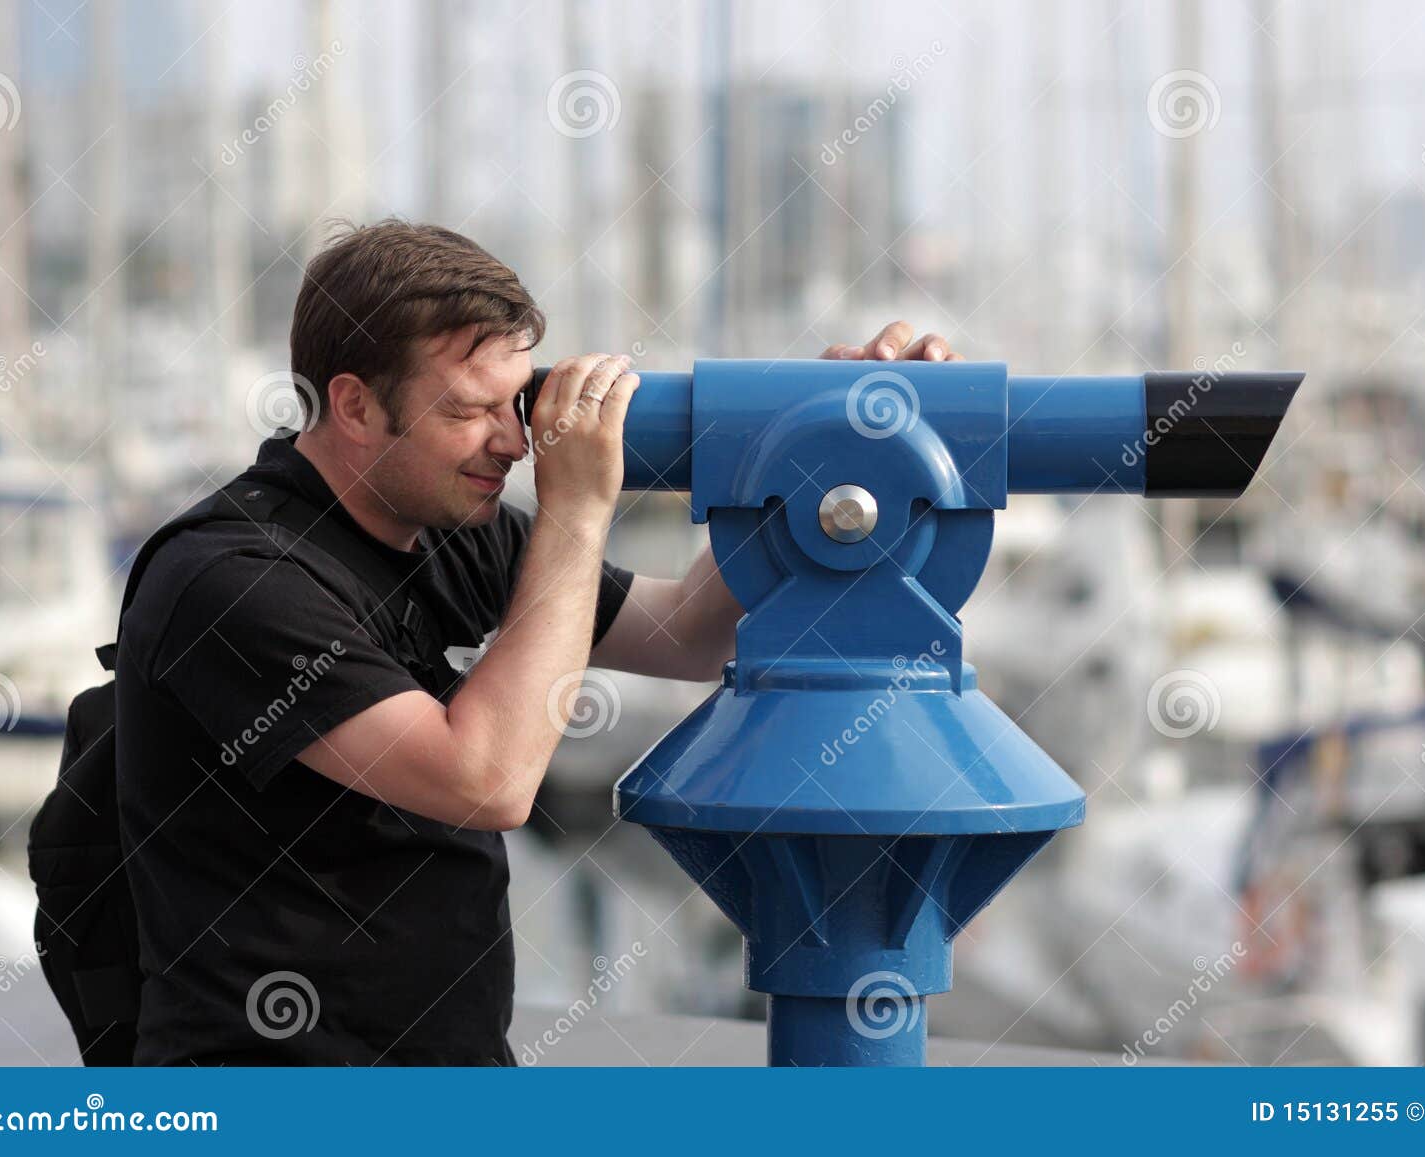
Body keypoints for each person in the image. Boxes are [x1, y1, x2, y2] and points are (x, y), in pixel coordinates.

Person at [114, 218, 960, 1064]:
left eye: (518, 402)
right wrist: (577, 509)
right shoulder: (232, 579)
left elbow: (690, 636)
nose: (515, 444)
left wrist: (808, 453)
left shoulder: (451, 531)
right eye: (470, 410)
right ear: (355, 404)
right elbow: (486, 778)